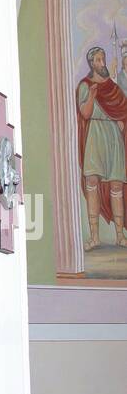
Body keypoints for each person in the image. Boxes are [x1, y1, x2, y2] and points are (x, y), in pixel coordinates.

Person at [76, 45, 127, 250]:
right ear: (91, 63)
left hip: (113, 136)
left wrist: (122, 120)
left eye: (103, 59)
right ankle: (95, 236)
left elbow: (123, 108)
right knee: (92, 182)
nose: (102, 63)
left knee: (116, 185)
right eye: (98, 59)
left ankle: (120, 235)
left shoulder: (114, 87)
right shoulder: (85, 85)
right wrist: (92, 96)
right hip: (95, 135)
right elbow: (85, 114)